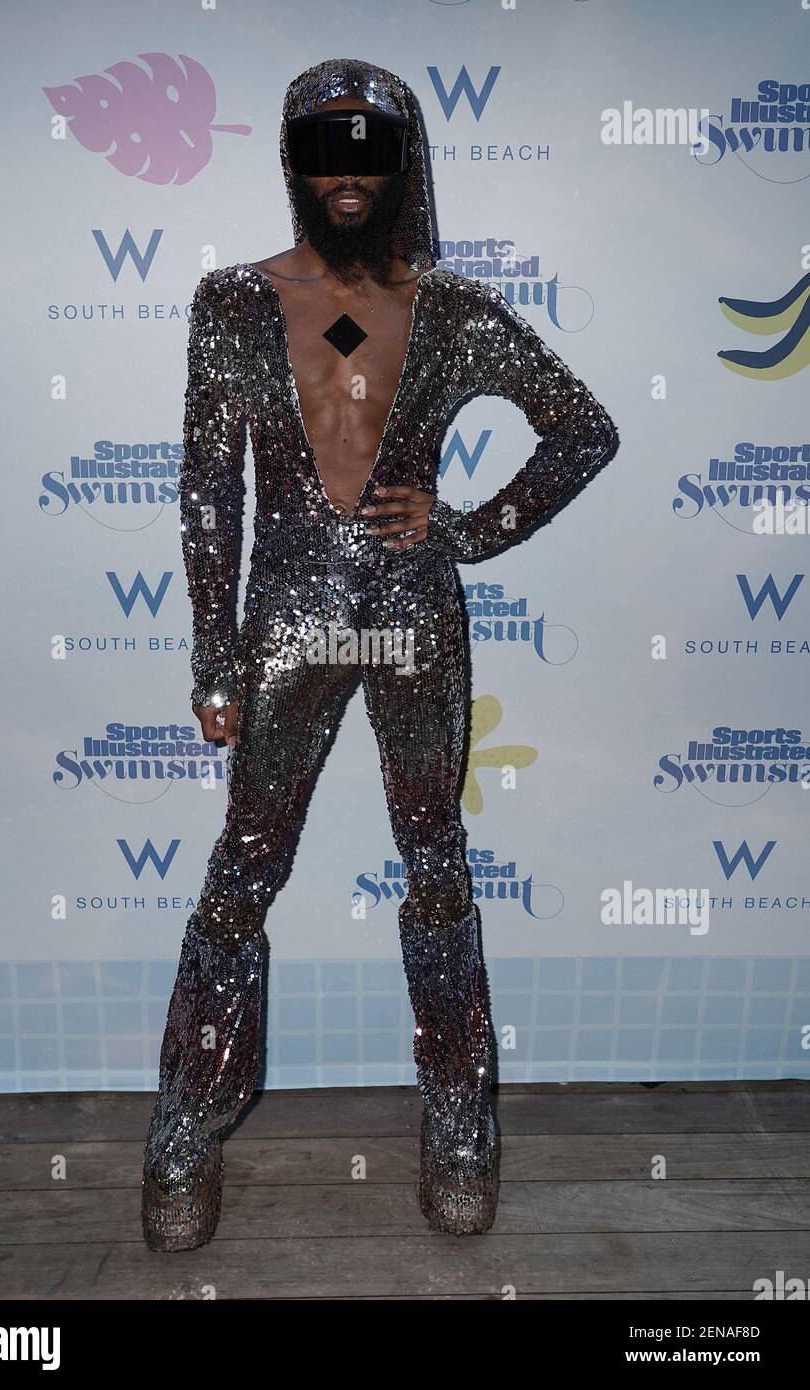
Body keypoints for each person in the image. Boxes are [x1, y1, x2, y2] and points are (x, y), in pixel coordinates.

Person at [141, 56, 620, 1251]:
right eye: (323, 148)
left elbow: (584, 428)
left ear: (403, 162)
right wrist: (212, 659)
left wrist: (468, 528)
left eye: (369, 148)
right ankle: (185, 1132)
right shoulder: (232, 302)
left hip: (413, 622)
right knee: (241, 872)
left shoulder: (452, 309)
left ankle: (459, 1131)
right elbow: (208, 488)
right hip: (285, 627)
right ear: (294, 164)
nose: (347, 171)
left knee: (437, 868)